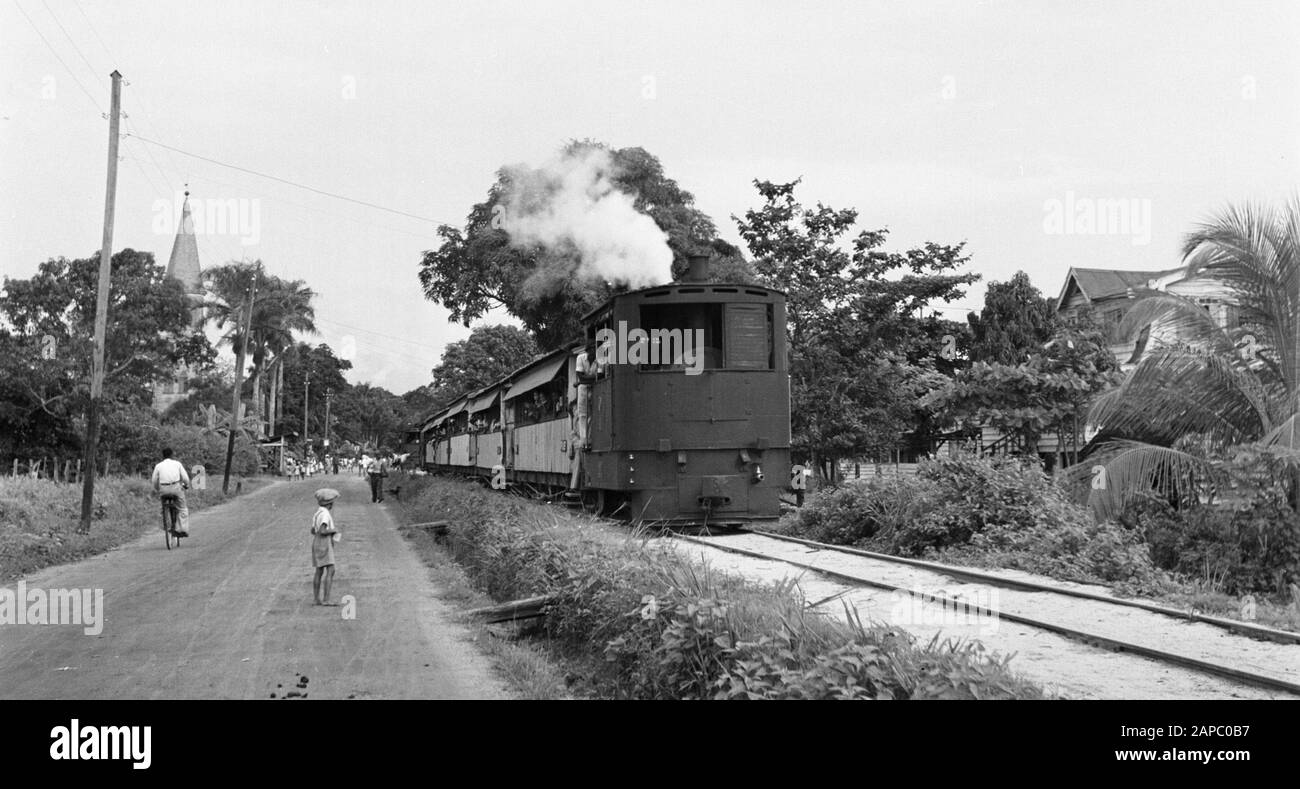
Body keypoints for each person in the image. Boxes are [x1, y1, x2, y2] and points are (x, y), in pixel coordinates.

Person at [151, 447, 191, 536]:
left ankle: (166, 526)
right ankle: (182, 529)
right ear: (172, 455)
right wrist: (186, 485)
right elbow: (185, 478)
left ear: (163, 456)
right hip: (176, 488)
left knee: (162, 510)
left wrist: (158, 489)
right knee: (182, 508)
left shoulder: (158, 466)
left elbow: (154, 481)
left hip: (163, 489)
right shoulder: (177, 464)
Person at [310, 488, 341, 605]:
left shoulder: (317, 513)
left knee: (319, 570)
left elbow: (313, 530)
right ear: (330, 503)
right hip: (324, 542)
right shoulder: (325, 515)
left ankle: (316, 598)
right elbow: (323, 531)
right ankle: (326, 599)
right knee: (331, 569)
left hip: (316, 542)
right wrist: (333, 530)